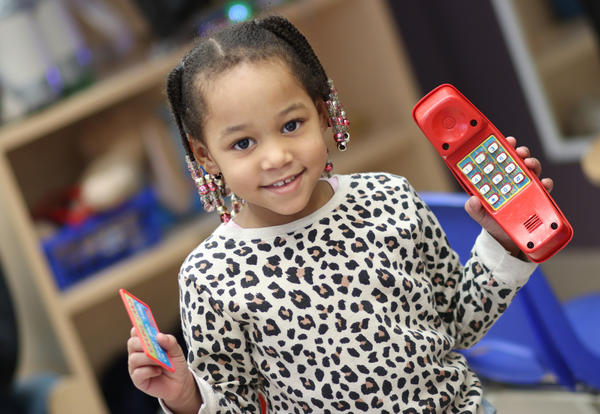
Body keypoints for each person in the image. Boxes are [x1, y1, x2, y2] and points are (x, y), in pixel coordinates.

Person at [127, 15, 553, 414]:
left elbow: (458, 325)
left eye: (291, 125)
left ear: (323, 112)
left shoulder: (390, 198)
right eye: (243, 144)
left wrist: (502, 238)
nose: (276, 157)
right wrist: (185, 397)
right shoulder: (210, 276)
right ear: (205, 157)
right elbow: (237, 403)